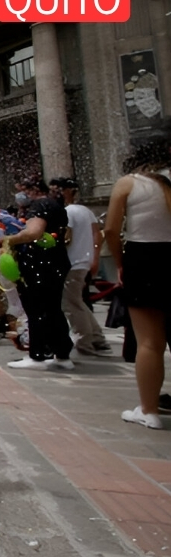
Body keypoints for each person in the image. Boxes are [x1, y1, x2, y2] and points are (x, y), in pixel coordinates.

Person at [104, 133, 171, 428]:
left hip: (143, 258)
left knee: (150, 342)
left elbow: (110, 230)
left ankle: (149, 410)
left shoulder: (129, 183)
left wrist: (120, 262)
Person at [2, 178, 74, 370]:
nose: (19, 196)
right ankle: (62, 354)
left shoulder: (40, 205)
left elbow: (33, 232)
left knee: (36, 309)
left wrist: (9, 240)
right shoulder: (55, 205)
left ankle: (38, 354)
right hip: (56, 261)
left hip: (40, 264)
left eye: (21, 191)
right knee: (52, 308)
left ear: (33, 190)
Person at [50, 177, 111, 357]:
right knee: (78, 301)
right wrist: (94, 258)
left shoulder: (67, 212)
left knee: (71, 304)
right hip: (83, 261)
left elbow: (65, 239)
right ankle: (97, 337)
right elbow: (96, 236)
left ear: (67, 192)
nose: (55, 194)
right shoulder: (86, 211)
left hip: (73, 263)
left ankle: (85, 341)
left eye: (57, 190)